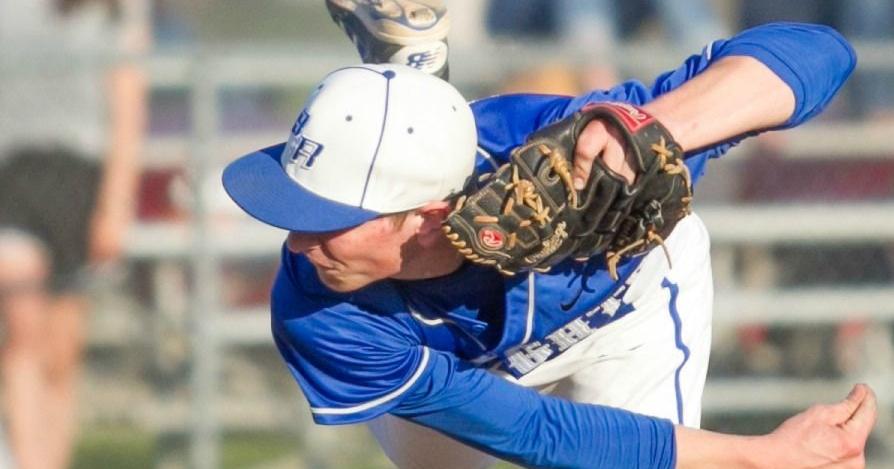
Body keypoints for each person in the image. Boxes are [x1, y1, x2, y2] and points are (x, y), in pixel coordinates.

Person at [222, 2, 872, 468]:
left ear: (424, 216)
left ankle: (414, 78)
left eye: (328, 220)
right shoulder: (315, 307)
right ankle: (412, 79)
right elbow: (536, 433)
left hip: (621, 308)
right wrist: (763, 456)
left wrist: (648, 128)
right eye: (295, 211)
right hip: (454, 368)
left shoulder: (556, 150)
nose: (298, 245)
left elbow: (820, 52)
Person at [0, 0, 147, 468]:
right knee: (23, 331)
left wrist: (115, 206)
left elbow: (127, 102)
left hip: (79, 179)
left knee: (60, 352)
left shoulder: (112, 11)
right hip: (11, 175)